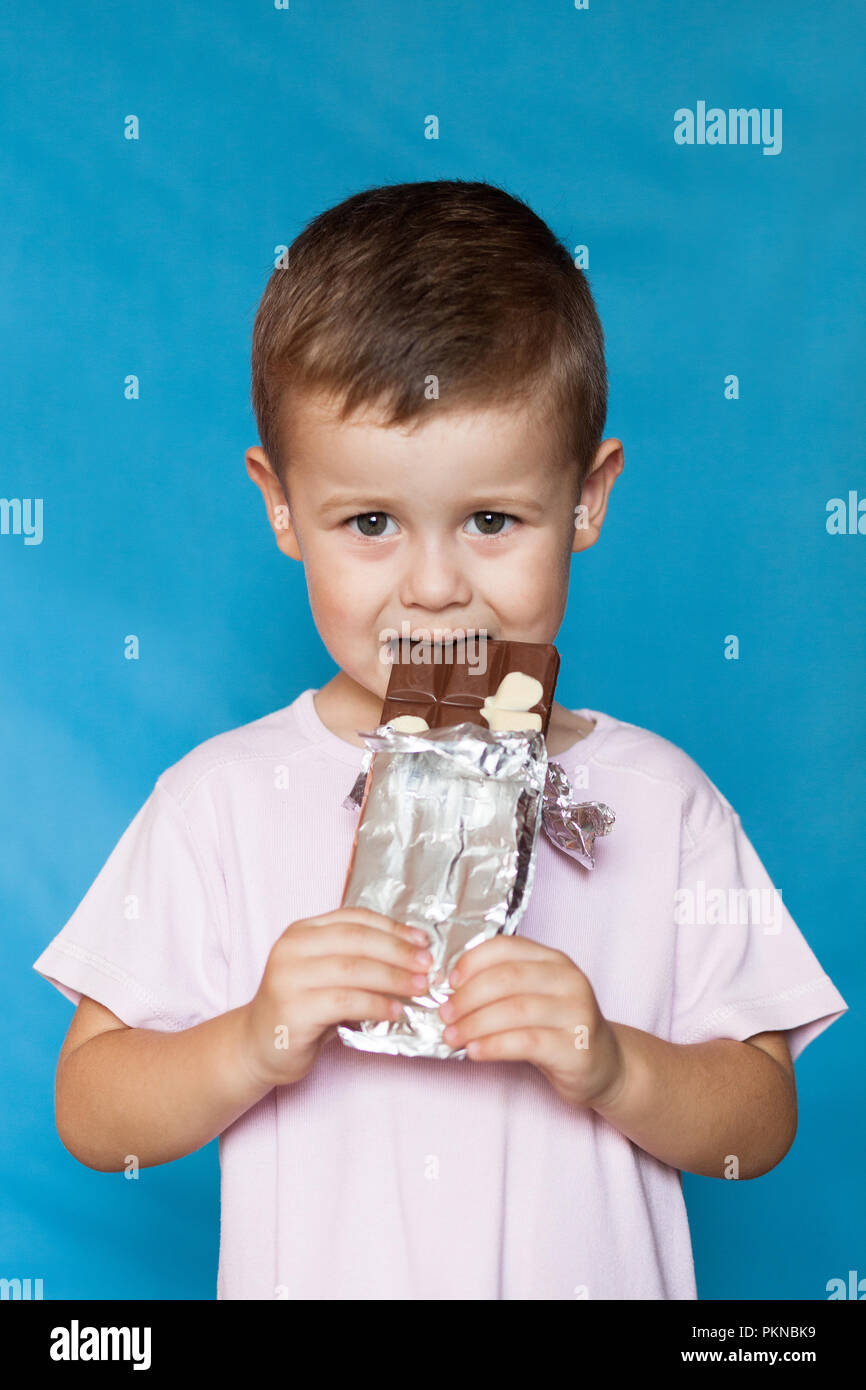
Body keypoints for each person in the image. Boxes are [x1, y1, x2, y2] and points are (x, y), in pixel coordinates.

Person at [33, 179, 848, 1300]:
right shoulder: (217, 798)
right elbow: (90, 1109)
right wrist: (255, 1038)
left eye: (491, 519)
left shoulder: (663, 801)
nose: (431, 587)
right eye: (370, 522)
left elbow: (755, 1128)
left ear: (586, 498)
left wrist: (612, 1061)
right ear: (279, 505)